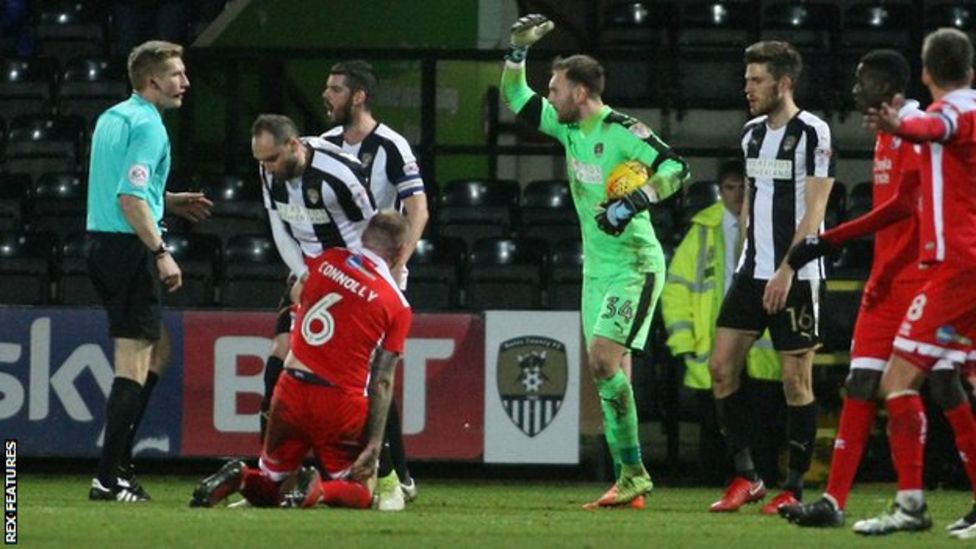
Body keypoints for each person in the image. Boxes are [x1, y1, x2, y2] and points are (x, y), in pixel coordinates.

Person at [501, 14, 690, 509]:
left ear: (580, 92)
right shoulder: (569, 131)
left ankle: (634, 473)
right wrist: (517, 52)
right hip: (597, 268)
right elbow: (516, 99)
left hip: (635, 263)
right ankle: (629, 477)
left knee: (605, 361)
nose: (550, 94)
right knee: (608, 372)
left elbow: (676, 168)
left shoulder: (624, 131)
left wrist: (636, 200)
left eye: (556, 87)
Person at [776, 49, 928, 528]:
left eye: (863, 82)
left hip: (925, 279)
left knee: (947, 387)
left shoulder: (919, 131)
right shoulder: (887, 135)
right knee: (860, 383)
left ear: (887, 87)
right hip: (886, 282)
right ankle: (834, 500)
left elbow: (906, 207)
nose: (855, 91)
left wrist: (829, 239)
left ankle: (917, 501)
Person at [190, 212, 413, 510]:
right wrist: (374, 444)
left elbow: (298, 295)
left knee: (271, 485)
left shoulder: (326, 260)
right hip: (339, 400)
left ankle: (241, 478)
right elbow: (383, 380)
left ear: (363, 237)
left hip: (290, 387)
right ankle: (319, 490)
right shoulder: (397, 305)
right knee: (360, 489)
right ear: (401, 251)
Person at [846, 29, 976, 538]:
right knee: (958, 383)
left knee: (897, 382)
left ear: (925, 73)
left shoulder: (953, 113)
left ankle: (911, 505)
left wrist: (901, 123)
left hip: (957, 270)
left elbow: (934, 125)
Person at [707, 41, 834, 514]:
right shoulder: (751, 135)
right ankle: (748, 476)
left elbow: (816, 209)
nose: (748, 88)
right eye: (746, 80)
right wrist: (749, 260)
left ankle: (794, 487)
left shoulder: (813, 133)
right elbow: (750, 206)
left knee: (794, 382)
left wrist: (787, 268)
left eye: (757, 80)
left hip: (797, 275)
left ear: (784, 83)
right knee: (721, 368)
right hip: (752, 272)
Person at [86, 40, 212, 502]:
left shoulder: (112, 118)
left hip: (101, 244)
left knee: (158, 351)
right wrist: (161, 250)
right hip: (130, 248)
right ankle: (109, 476)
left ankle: (118, 463)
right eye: (176, 74)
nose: (185, 83)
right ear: (152, 80)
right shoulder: (150, 126)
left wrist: (169, 201)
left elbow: (119, 186)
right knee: (134, 363)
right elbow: (129, 198)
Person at [320, 59, 428, 509]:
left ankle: (392, 473)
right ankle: (394, 473)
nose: (326, 95)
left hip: (377, 275)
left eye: (336, 89)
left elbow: (417, 208)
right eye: (327, 87)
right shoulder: (322, 145)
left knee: (373, 375)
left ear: (359, 96)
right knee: (365, 377)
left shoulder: (391, 146)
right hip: (336, 274)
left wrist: (399, 262)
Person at [251, 113, 376, 461]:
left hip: (350, 280)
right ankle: (272, 475)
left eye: (273, 159)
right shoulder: (269, 169)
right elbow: (279, 226)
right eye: (262, 161)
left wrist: (350, 285)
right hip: (305, 272)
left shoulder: (340, 174)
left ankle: (383, 474)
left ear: (293, 145)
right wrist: (303, 275)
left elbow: (370, 234)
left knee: (354, 384)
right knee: (278, 367)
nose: (268, 168)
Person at [662, 160, 784, 487]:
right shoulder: (702, 230)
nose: (738, 194)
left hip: (762, 348)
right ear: (721, 190)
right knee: (715, 427)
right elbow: (676, 288)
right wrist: (683, 342)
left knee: (762, 425)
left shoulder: (772, 226)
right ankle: (716, 485)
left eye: (744, 186)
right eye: (731, 187)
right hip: (712, 344)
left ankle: (763, 482)